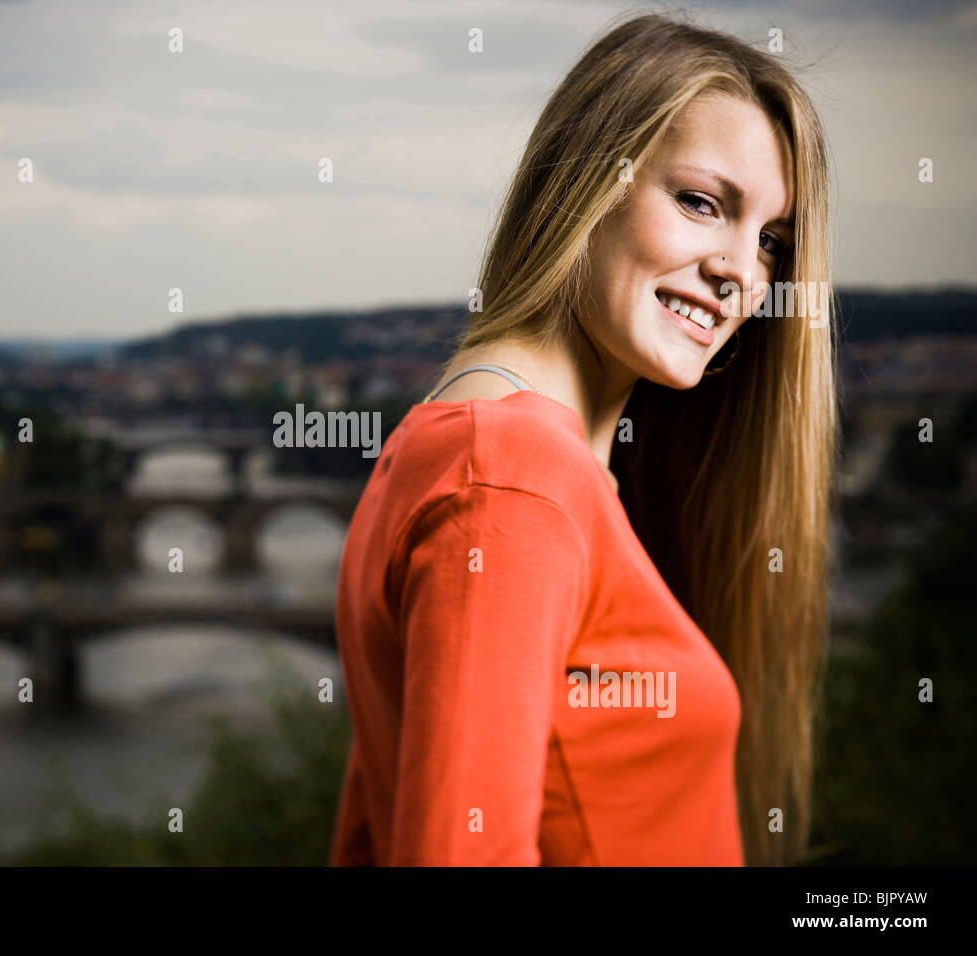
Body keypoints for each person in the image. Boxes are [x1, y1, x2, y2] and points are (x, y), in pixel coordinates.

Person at [329, 12, 839, 866]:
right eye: (700, 203)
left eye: (771, 242)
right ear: (582, 184)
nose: (741, 272)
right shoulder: (508, 482)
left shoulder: (488, 455)